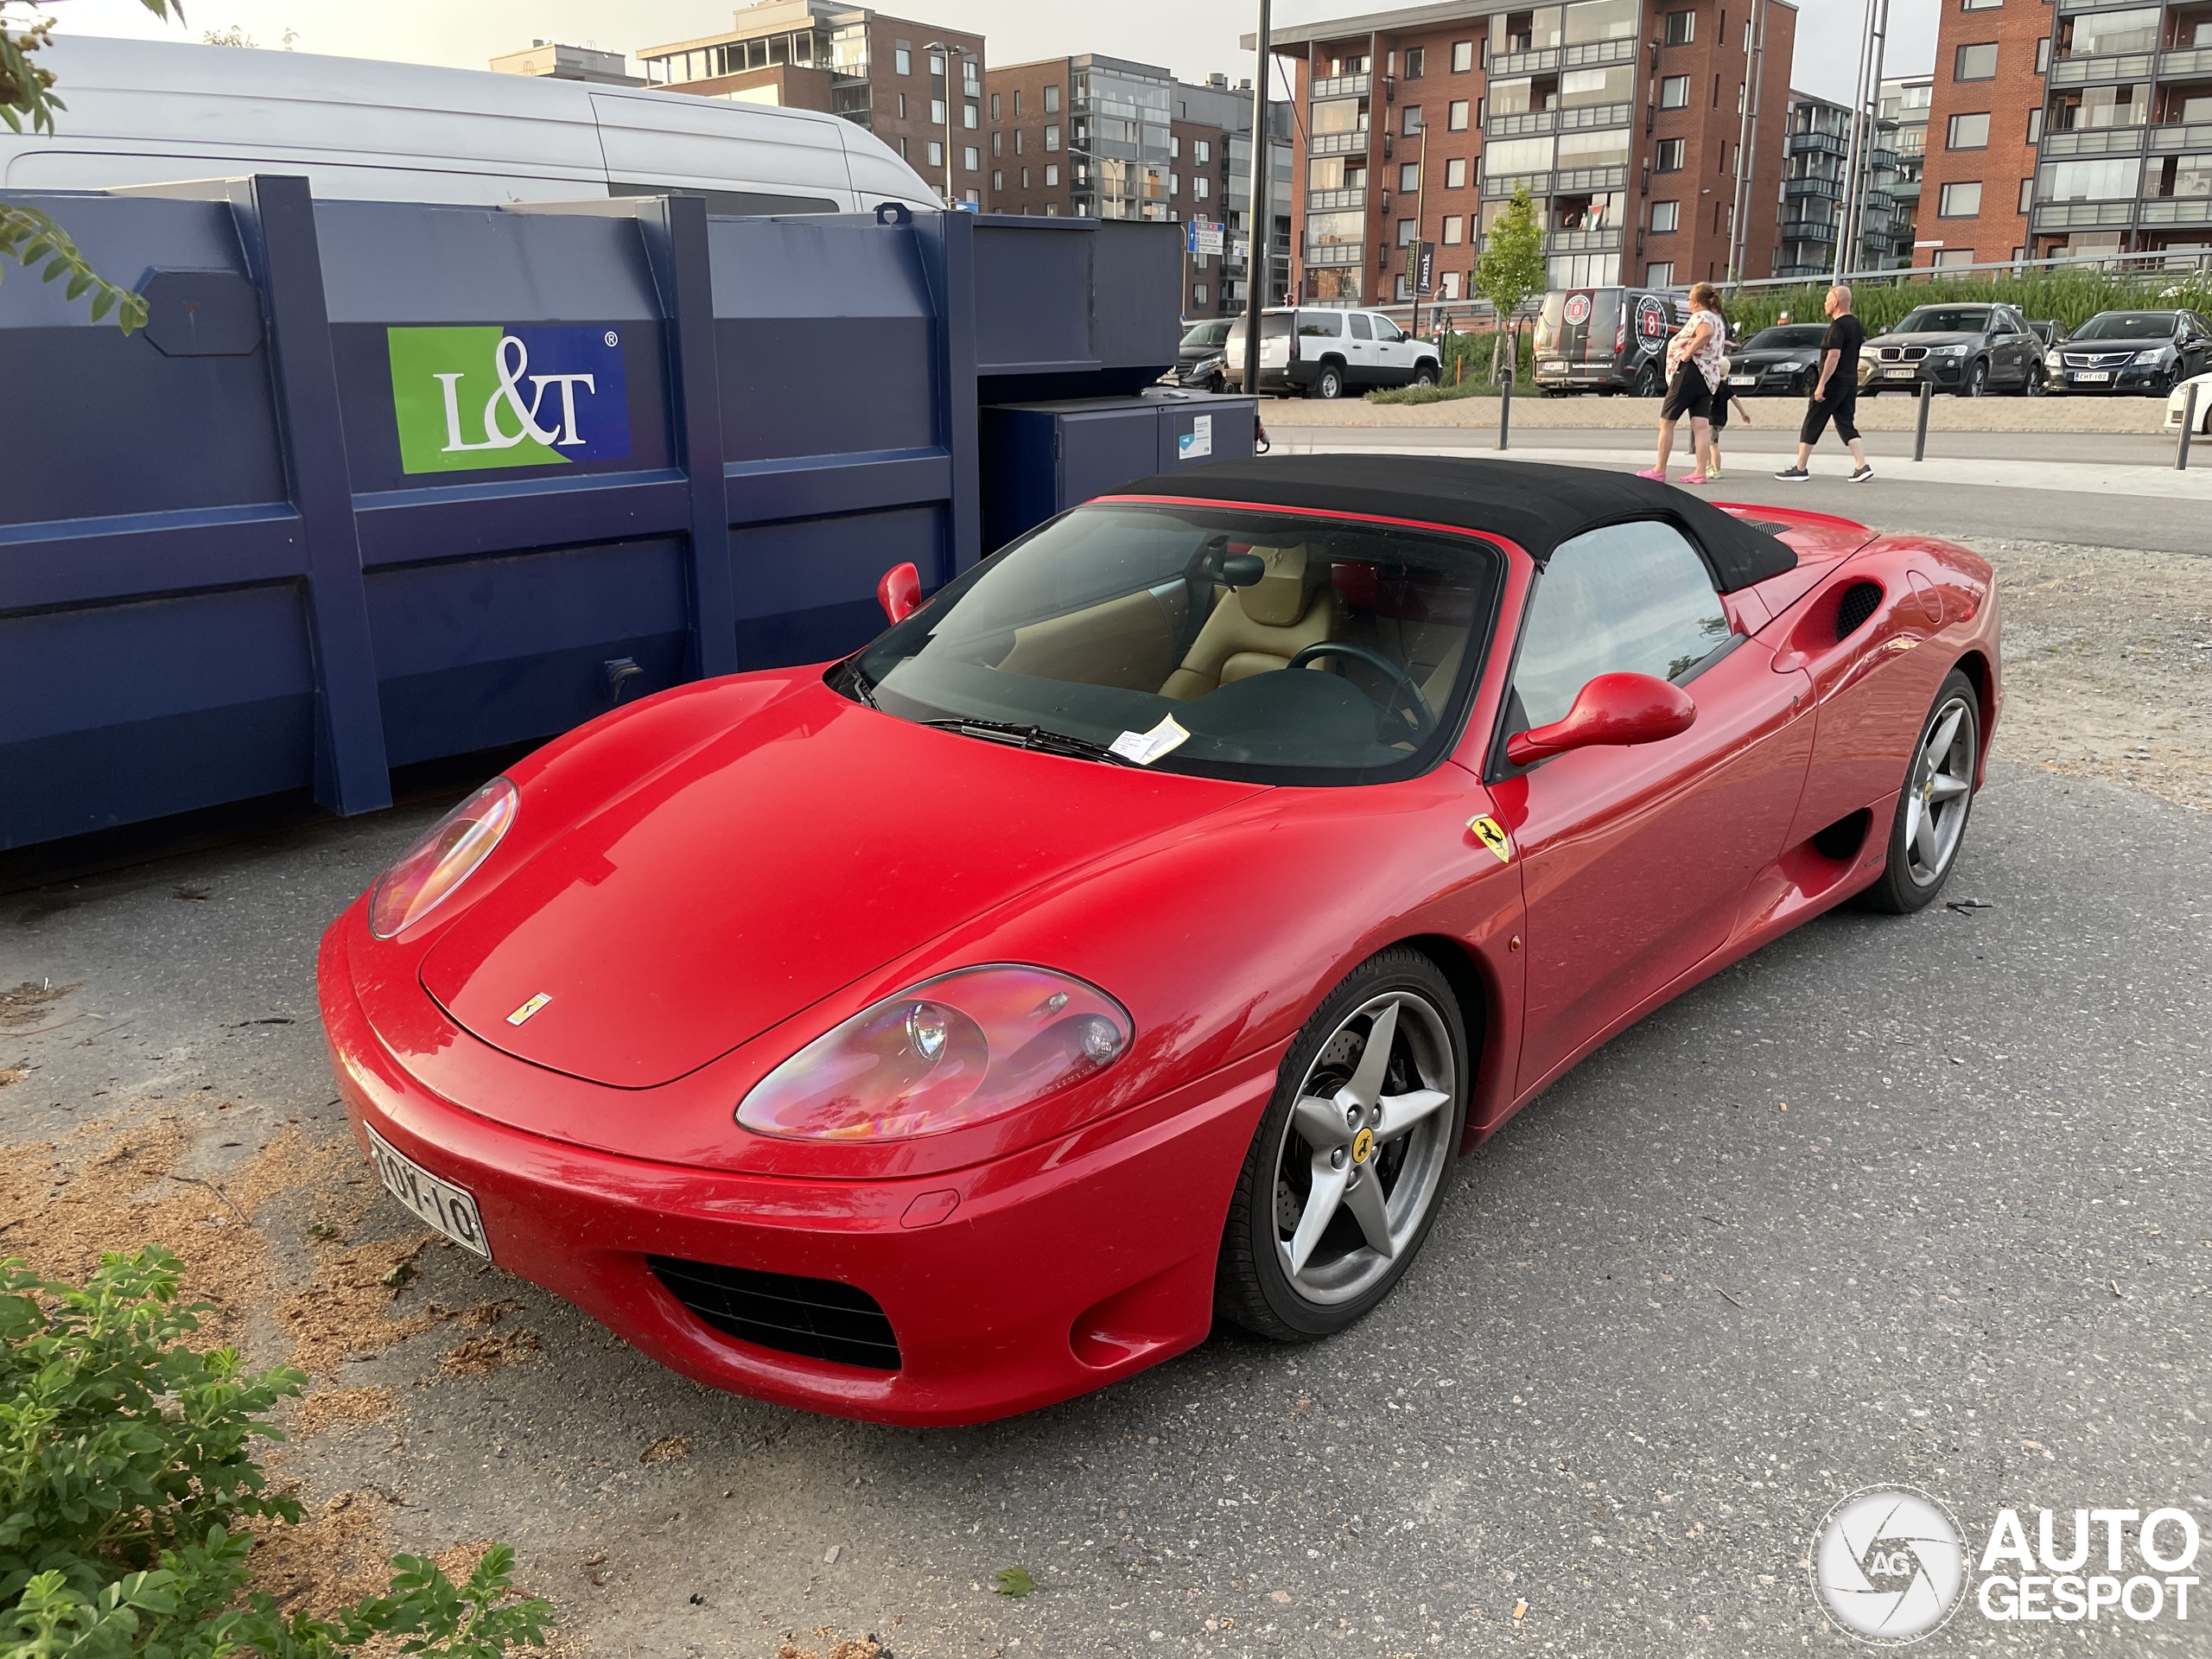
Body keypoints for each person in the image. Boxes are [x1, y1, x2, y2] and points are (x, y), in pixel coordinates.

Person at [1776, 285, 1873, 483]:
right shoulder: (1856, 325)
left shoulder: (1837, 327)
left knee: (1813, 421)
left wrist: (1821, 384)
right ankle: (1861, 465)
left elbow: (1833, 355)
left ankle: (1801, 468)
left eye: (1827, 300)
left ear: (1836, 302)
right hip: (1849, 381)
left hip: (1833, 382)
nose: (1825, 304)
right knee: (1845, 422)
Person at [1638, 281, 1726, 486]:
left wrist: (1687, 354)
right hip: (1708, 377)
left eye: (1689, 300)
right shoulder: (1718, 319)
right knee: (1701, 425)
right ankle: (1699, 471)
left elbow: (1705, 333)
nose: (1688, 303)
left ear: (1695, 302)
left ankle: (1660, 469)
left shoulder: (1702, 317)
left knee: (1666, 421)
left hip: (1690, 372)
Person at [1704, 308, 1751, 480]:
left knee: (1712, 445)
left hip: (1712, 419)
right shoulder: (1727, 388)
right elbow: (1736, 400)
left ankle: (1714, 469)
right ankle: (1712, 468)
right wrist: (1743, 413)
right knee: (1712, 444)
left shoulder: (1713, 386)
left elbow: (1708, 402)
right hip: (1722, 420)